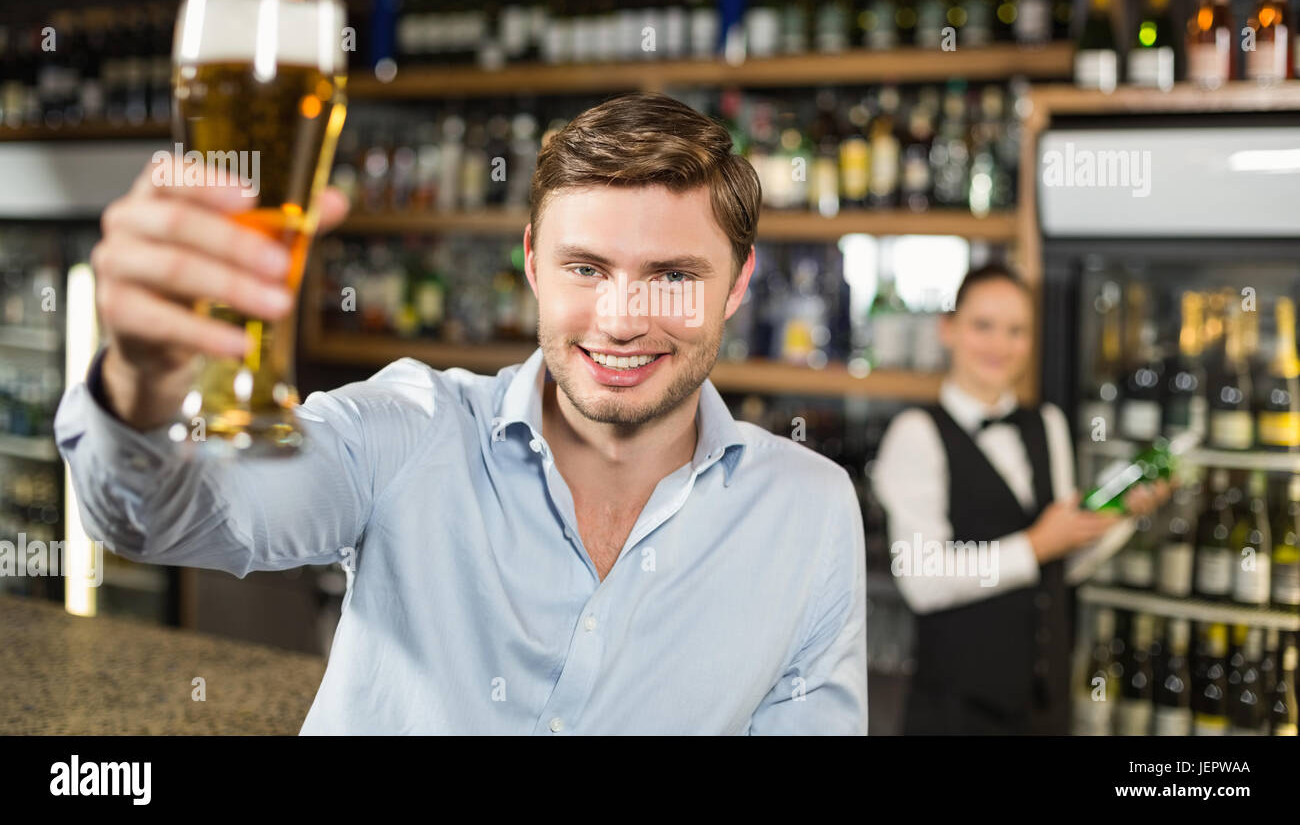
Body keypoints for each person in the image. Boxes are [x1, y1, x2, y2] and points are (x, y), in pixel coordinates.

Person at [54, 91, 867, 735]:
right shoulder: (410, 427)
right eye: (585, 267)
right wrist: (137, 383)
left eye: (674, 276)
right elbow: (167, 518)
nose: (621, 318)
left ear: (738, 284)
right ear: (532, 267)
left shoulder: (809, 506)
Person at [872, 263, 1167, 735]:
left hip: (1045, 708)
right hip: (955, 716)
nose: (1000, 345)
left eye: (1016, 331)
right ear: (948, 329)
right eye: (983, 326)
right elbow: (922, 580)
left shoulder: (1046, 423)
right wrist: (1036, 544)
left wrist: (1122, 517)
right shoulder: (916, 434)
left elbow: (1060, 564)